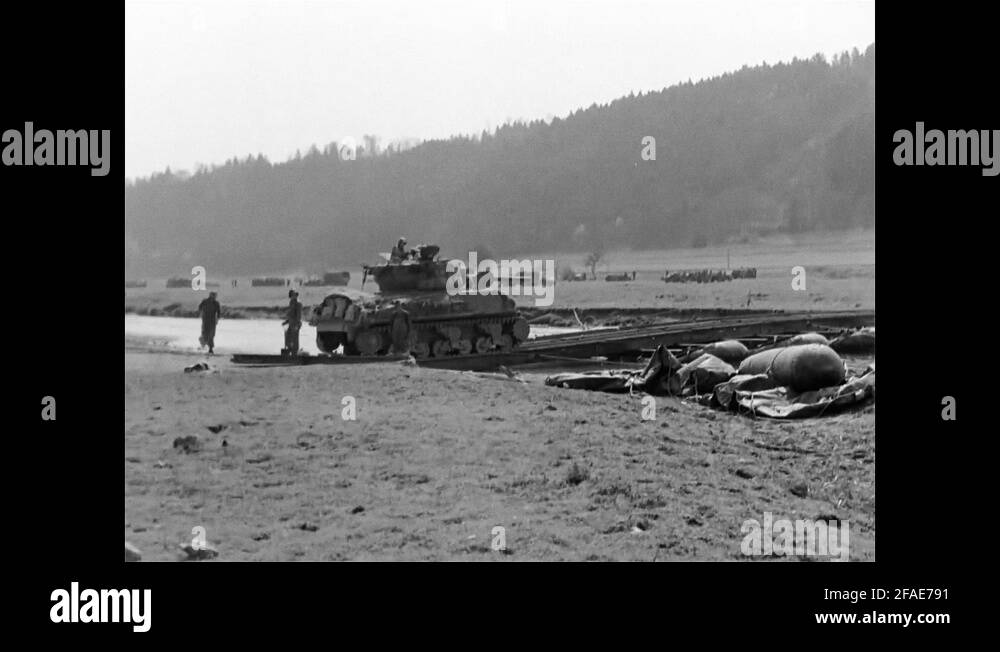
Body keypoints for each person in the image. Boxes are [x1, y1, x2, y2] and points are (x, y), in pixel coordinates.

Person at [282, 290, 303, 355]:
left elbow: (298, 315)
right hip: (291, 323)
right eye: (291, 295)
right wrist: (286, 321)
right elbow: (291, 314)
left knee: (295, 338)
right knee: (288, 337)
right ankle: (289, 350)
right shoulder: (291, 302)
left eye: (293, 295)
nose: (292, 297)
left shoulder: (298, 303)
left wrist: (297, 324)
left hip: (295, 323)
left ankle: (295, 353)